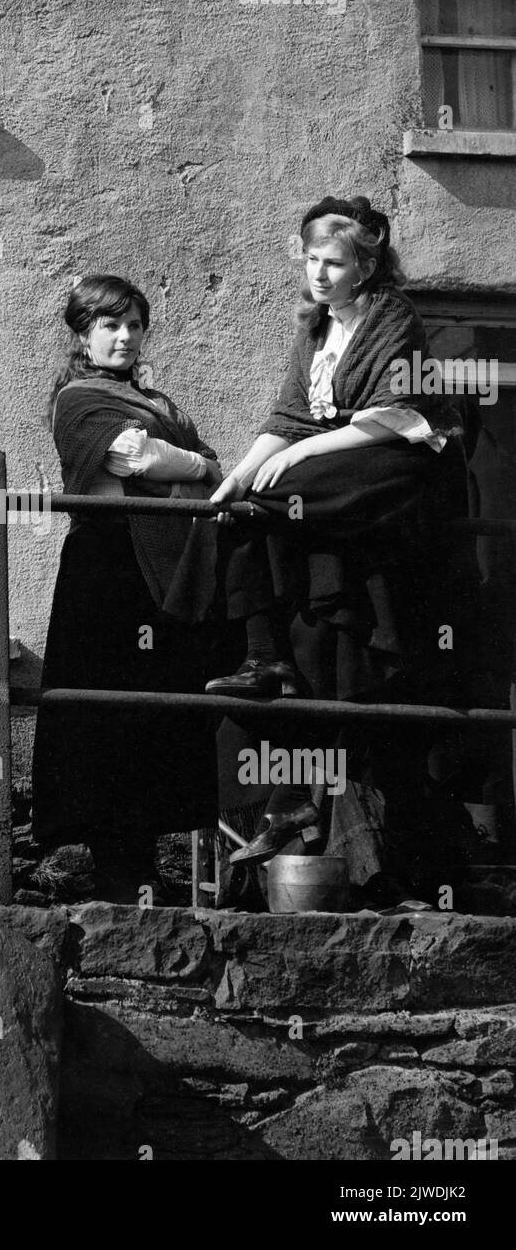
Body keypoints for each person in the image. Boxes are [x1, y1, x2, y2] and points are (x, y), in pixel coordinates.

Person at [205, 195, 476, 873]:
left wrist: (297, 454)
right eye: (310, 260)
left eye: (333, 262)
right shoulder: (316, 326)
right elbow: (288, 415)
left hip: (404, 460)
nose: (318, 274)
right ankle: (264, 657)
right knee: (248, 505)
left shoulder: (393, 317)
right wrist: (238, 474)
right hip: (343, 460)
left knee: (283, 490)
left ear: (366, 266)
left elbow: (390, 413)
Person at [30, 275, 228, 900]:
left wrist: (191, 467)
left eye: (134, 325)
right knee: (106, 712)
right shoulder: (78, 399)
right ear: (83, 335)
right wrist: (196, 469)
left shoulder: (160, 402)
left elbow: (213, 465)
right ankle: (115, 866)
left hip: (161, 568)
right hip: (107, 567)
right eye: (110, 325)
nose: (124, 337)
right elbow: (130, 457)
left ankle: (141, 864)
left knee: (155, 707)